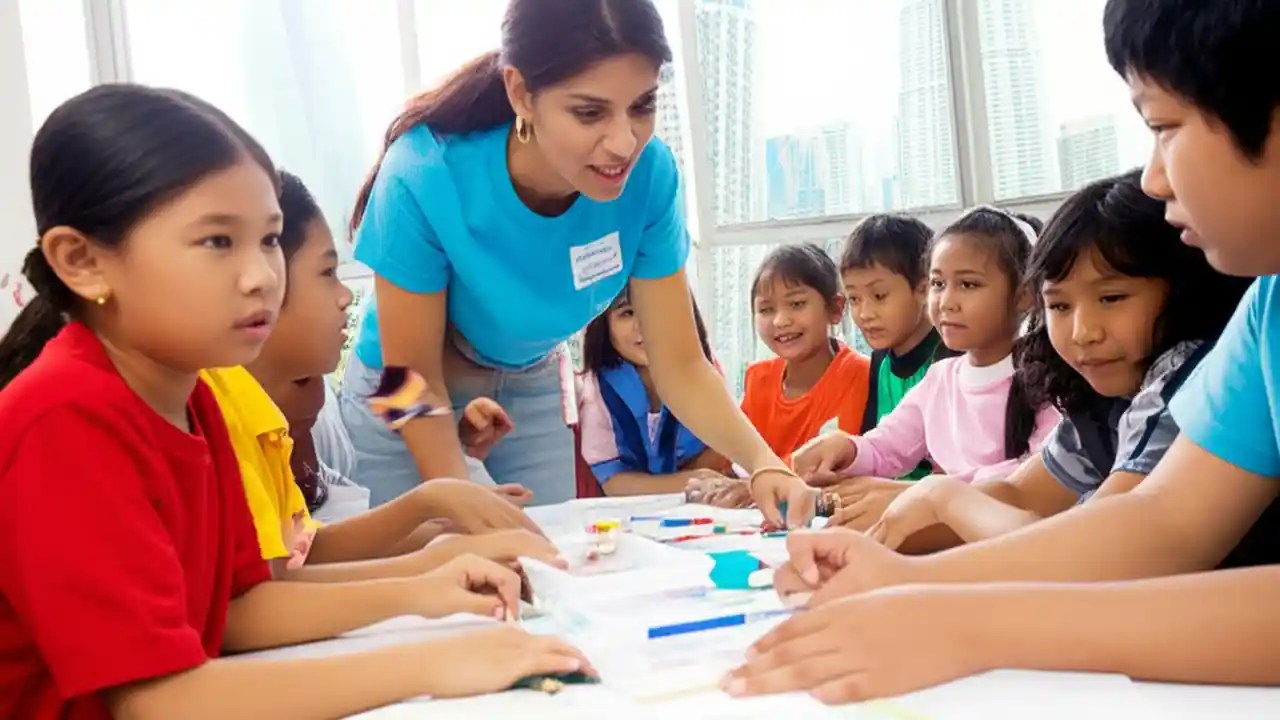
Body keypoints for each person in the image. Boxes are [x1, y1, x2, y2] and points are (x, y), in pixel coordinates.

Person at [720, 0, 1280, 704]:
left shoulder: (1189, 355)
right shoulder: (1269, 307)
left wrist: (967, 621)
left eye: (1164, 127)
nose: (1153, 178)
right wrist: (909, 583)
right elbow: (1163, 521)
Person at [0, 85, 593, 720]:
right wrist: (433, 643)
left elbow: (238, 601)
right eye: (217, 242)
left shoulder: (195, 396)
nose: (263, 276)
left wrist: (428, 577)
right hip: (401, 382)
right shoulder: (67, 418)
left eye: (270, 241)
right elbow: (399, 373)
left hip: (511, 382)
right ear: (83, 262)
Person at [341, 0, 812, 526]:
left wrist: (764, 465)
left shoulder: (650, 175)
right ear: (521, 93)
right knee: (436, 569)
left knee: (554, 564)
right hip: (402, 393)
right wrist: (460, 498)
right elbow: (409, 378)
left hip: (525, 380)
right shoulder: (425, 171)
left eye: (642, 105)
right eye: (589, 112)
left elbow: (679, 364)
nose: (623, 143)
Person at [869, 170, 1251, 550]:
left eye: (1111, 298)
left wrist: (945, 499)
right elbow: (1022, 495)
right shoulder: (1100, 404)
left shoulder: (1186, 375)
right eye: (1060, 305)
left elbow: (1094, 547)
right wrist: (877, 536)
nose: (1083, 331)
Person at [204, 170, 557, 582]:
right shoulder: (420, 191)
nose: (347, 295)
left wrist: (454, 485)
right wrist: (449, 495)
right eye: (328, 273)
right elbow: (399, 382)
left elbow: (314, 539)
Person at [791, 208, 1060, 530]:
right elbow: (886, 448)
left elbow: (1036, 478)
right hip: (942, 528)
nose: (946, 301)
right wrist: (846, 449)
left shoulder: (1050, 383)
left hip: (1008, 538)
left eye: (968, 285)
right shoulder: (940, 379)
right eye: (937, 283)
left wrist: (922, 492)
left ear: (1024, 295)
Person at [578, 286, 731, 496]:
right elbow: (614, 483)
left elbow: (720, 447)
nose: (645, 324)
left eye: (657, 309)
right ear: (604, 324)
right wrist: (690, 480)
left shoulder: (703, 371)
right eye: (627, 312)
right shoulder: (597, 390)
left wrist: (701, 474)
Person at [840, 214, 956, 480]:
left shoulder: (950, 360)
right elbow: (869, 449)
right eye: (854, 299)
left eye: (879, 296)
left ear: (923, 290)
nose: (864, 313)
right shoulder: (880, 361)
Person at [740, 243, 872, 461]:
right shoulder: (757, 378)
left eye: (797, 304)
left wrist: (754, 484)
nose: (780, 321)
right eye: (766, 309)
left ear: (835, 309)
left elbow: (829, 468)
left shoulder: (862, 375)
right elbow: (737, 461)